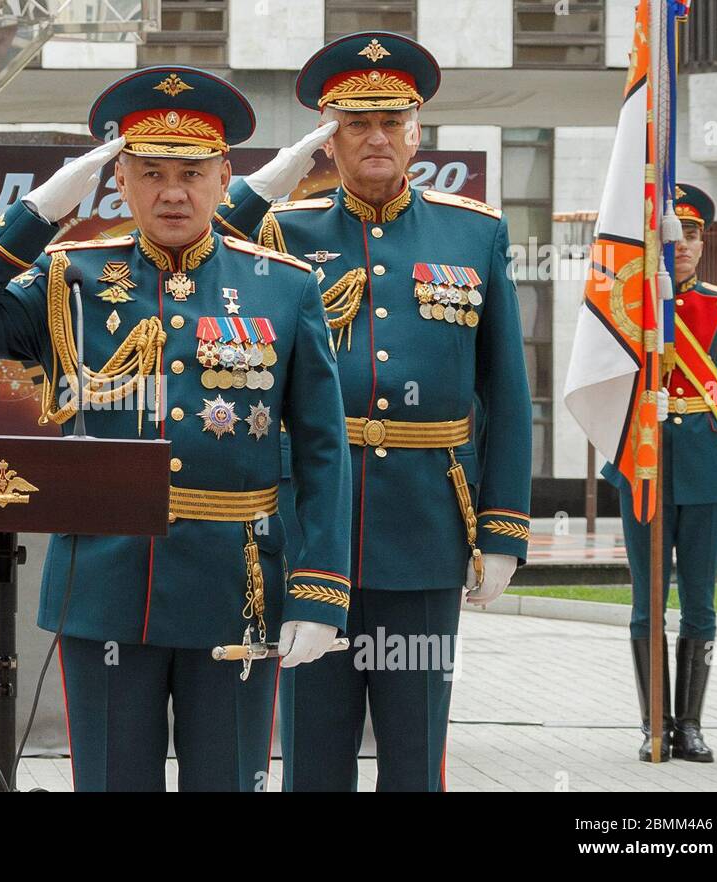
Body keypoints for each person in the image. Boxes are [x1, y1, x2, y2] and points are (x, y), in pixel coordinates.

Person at [0, 65, 354, 791]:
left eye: (192, 172)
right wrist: (37, 214)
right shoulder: (72, 279)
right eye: (150, 172)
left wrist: (320, 591)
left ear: (225, 177)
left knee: (225, 778)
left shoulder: (283, 286)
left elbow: (321, 449)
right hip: (105, 583)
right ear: (118, 182)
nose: (173, 191)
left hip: (234, 583)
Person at [216, 31, 533, 791]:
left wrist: (503, 530)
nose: (378, 138)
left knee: (416, 749)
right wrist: (275, 178)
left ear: (417, 131)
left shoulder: (474, 231)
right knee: (312, 751)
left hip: (425, 522)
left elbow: (506, 391)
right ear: (330, 138)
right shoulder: (282, 230)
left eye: (392, 121)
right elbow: (201, 238)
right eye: (356, 124)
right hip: (309, 525)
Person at [604, 184, 717, 762]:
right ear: (656, 242)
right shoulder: (628, 304)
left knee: (700, 602)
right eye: (674, 236)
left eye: (691, 235)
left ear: (701, 242)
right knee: (647, 602)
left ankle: (690, 724)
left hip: (706, 472)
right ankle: (653, 725)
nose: (683, 246)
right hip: (642, 468)